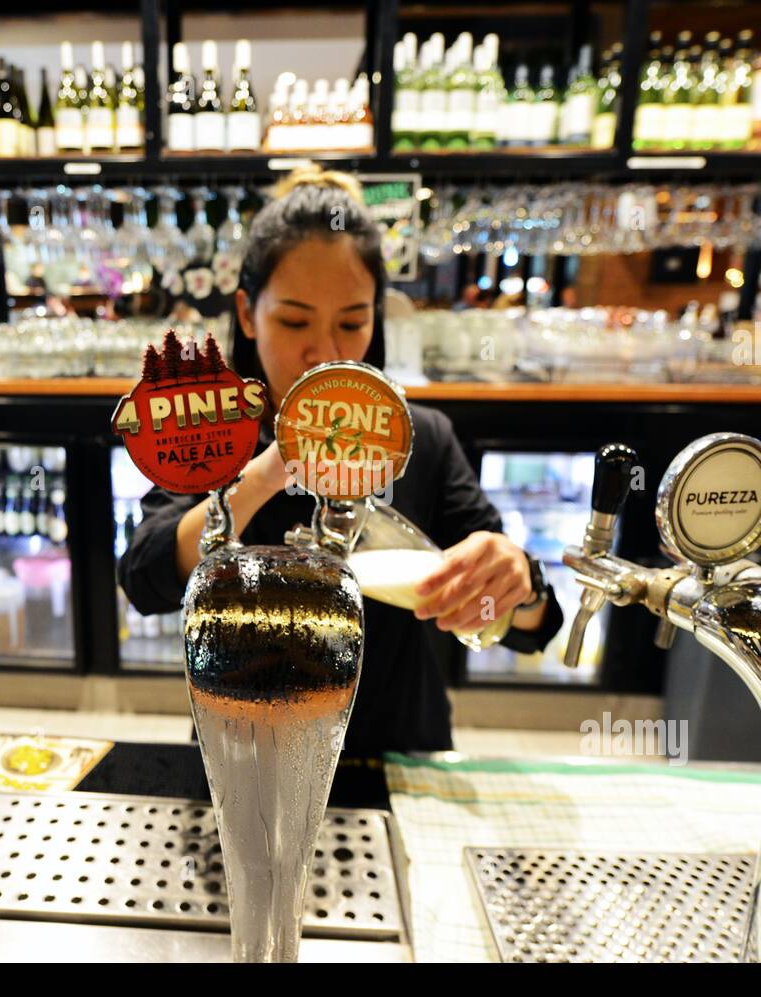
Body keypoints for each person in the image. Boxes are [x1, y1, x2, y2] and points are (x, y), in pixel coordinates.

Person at [118, 166, 564, 756]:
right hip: (243, 756)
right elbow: (146, 577)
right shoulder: (213, 438)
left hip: (396, 749)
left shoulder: (422, 439)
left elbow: (532, 628)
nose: (324, 352)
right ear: (249, 314)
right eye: (294, 320)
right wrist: (273, 465)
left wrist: (515, 581)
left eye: (352, 322)